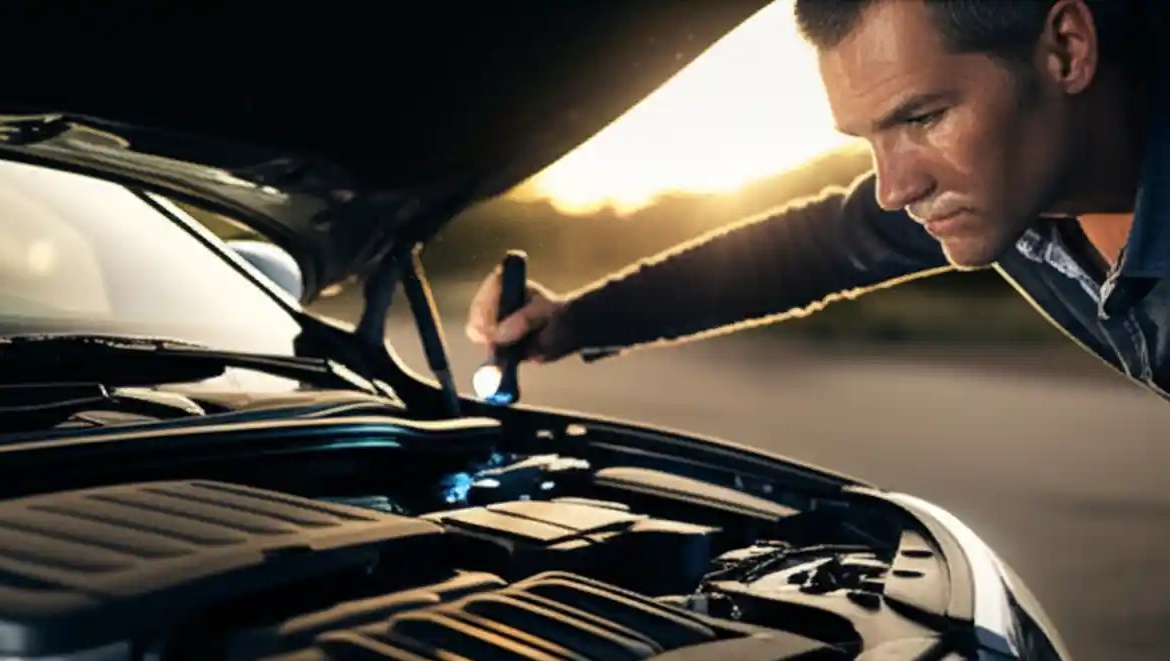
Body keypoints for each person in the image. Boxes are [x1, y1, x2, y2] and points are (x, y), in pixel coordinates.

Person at [464, 0, 1170, 398]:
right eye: (870, 137)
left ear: (1069, 52)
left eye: (921, 118)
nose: (896, 190)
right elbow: (810, 251)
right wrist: (578, 320)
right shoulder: (1005, 189)